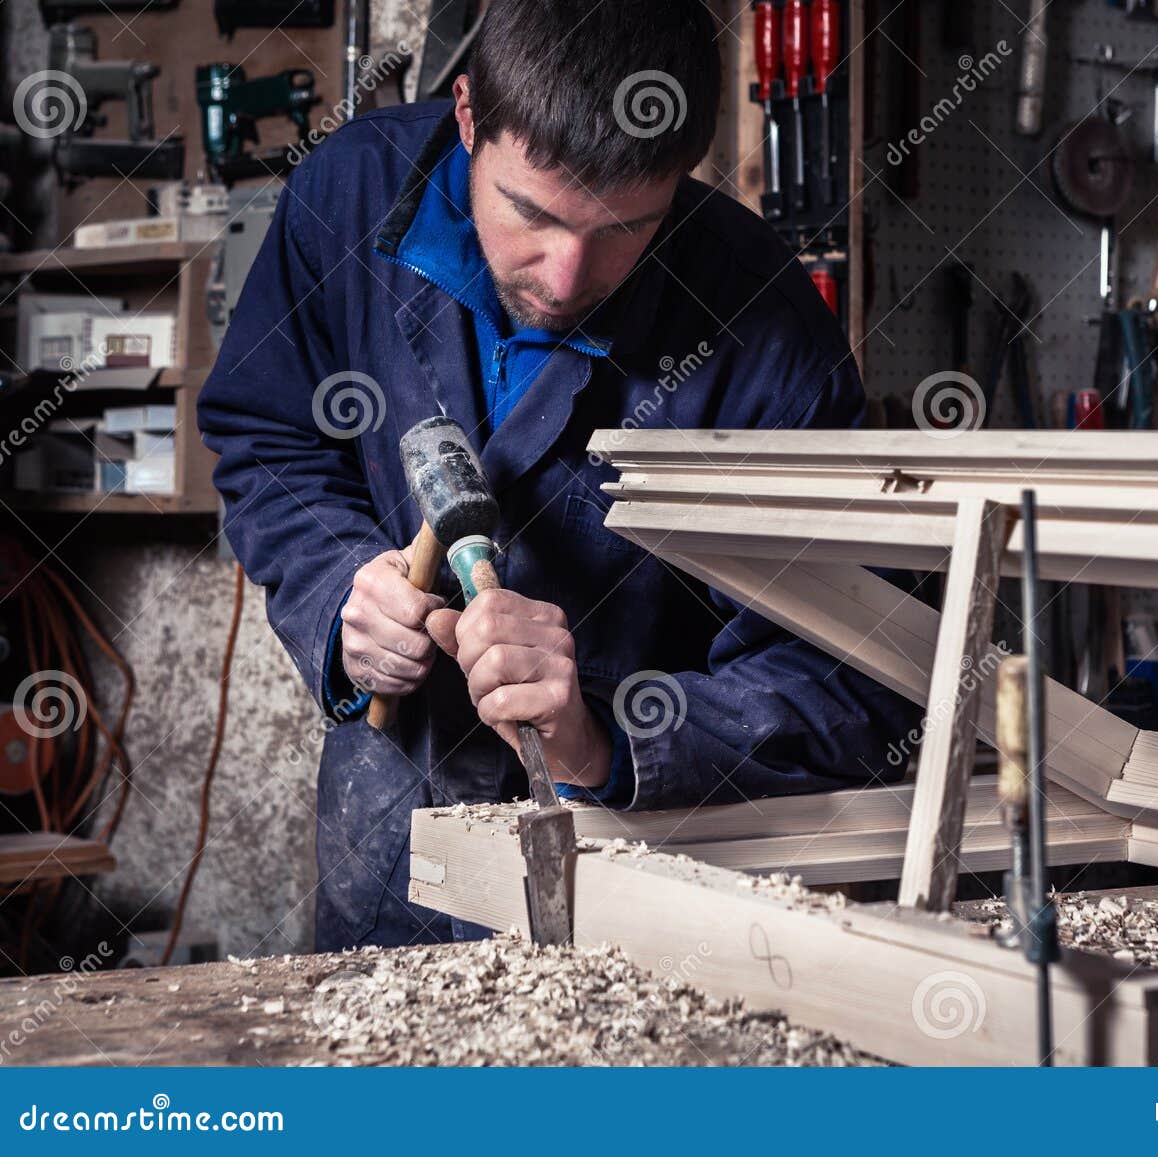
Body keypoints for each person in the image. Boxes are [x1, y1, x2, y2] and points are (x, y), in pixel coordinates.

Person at [197, 0, 918, 950]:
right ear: (467, 114)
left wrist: (613, 736)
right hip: (391, 821)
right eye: (531, 213)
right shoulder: (347, 195)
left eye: (626, 227)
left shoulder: (764, 321)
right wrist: (344, 597)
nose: (569, 274)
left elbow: (845, 675)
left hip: (645, 861)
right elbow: (267, 436)